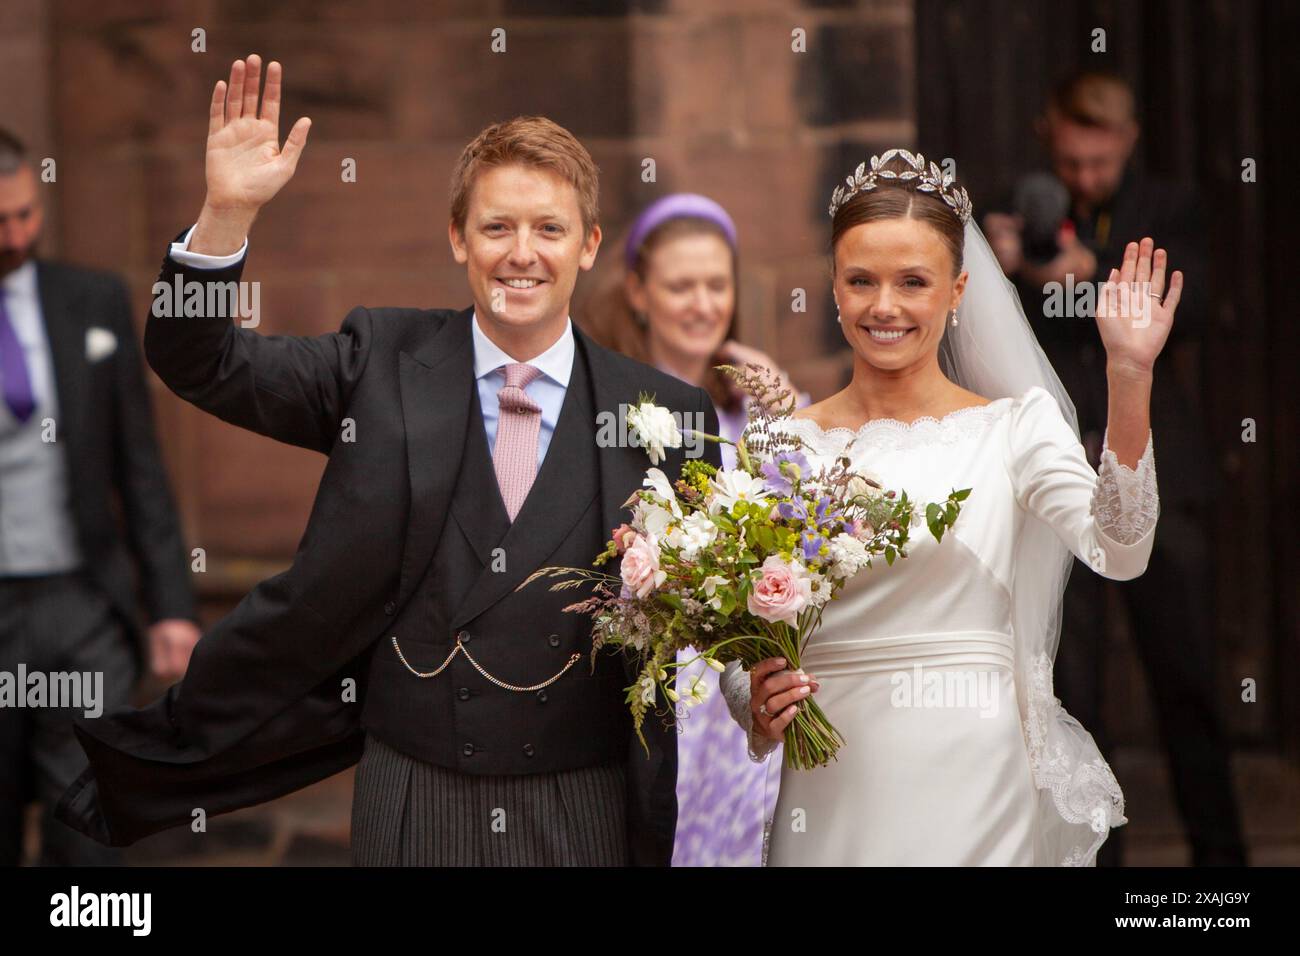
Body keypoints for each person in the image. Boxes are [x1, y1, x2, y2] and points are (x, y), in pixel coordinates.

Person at [54, 54, 720, 866]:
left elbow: (712, 620)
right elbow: (203, 361)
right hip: (415, 795)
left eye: (549, 228)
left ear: (588, 246)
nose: (522, 253)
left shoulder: (669, 417)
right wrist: (225, 214)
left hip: (582, 800)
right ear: (456, 238)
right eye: (496, 227)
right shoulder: (378, 361)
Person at [722, 148, 1169, 865]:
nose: (884, 306)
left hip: (974, 772)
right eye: (860, 280)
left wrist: (1128, 376)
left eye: (914, 282)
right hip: (832, 778)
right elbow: (746, 643)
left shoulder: (1014, 427)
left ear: (958, 290)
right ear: (833, 289)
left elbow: (1121, 549)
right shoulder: (781, 446)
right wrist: (756, 698)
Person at [985, 70, 1246, 866]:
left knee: (1191, 683)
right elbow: (988, 333)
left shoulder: (1168, 207)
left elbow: (1195, 307)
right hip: (1058, 476)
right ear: (1048, 143)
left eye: (1099, 163)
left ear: (1129, 141)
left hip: (1160, 471)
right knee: (1074, 691)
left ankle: (1224, 867)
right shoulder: (1019, 207)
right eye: (1071, 163)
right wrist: (1010, 270)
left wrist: (1088, 269)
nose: (1086, 178)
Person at [582, 193, 803, 865]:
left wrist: (784, 419)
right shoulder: (608, 408)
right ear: (640, 293)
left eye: (717, 284)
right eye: (681, 285)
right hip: (654, 682)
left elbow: (811, 534)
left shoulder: (757, 407)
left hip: (745, 682)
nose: (703, 303)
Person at [0, 129, 200, 866]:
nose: (16, 235)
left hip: (81, 606)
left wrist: (172, 603)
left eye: (26, 215)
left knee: (84, 834)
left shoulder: (90, 301)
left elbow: (137, 465)